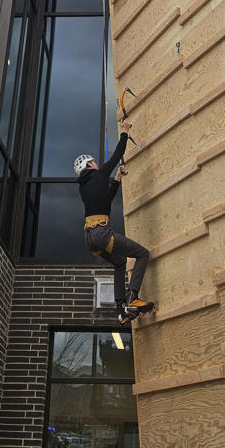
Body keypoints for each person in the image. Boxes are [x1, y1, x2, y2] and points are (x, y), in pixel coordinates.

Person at [74, 119, 153, 324]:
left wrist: (117, 177)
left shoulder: (84, 187)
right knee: (142, 254)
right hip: (101, 233)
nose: (97, 163)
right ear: (90, 164)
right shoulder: (98, 174)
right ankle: (132, 298)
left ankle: (122, 310)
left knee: (119, 263)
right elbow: (117, 154)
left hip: (90, 239)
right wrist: (125, 131)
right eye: (94, 161)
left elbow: (107, 200)